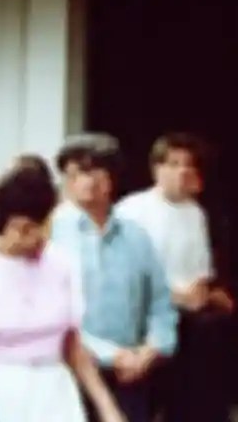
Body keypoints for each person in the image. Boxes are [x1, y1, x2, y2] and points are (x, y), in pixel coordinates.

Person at [0, 160, 126, 422]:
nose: (34, 239)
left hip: (51, 392)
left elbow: (72, 343)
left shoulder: (61, 265)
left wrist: (107, 408)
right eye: (23, 230)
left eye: (41, 228)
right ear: (3, 225)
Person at [51, 133, 178, 422]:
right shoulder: (52, 236)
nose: (84, 180)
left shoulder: (136, 236)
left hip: (131, 374)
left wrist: (153, 348)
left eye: (93, 170)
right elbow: (50, 313)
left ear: (111, 179)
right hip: (69, 372)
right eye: (75, 173)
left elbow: (160, 302)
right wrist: (110, 354)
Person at [117, 132, 233, 422]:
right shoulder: (133, 211)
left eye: (189, 165)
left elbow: (200, 272)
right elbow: (125, 273)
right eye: (174, 163)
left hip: (188, 323)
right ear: (157, 169)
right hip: (145, 322)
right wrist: (175, 296)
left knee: (188, 404)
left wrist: (207, 293)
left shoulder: (195, 213)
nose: (183, 171)